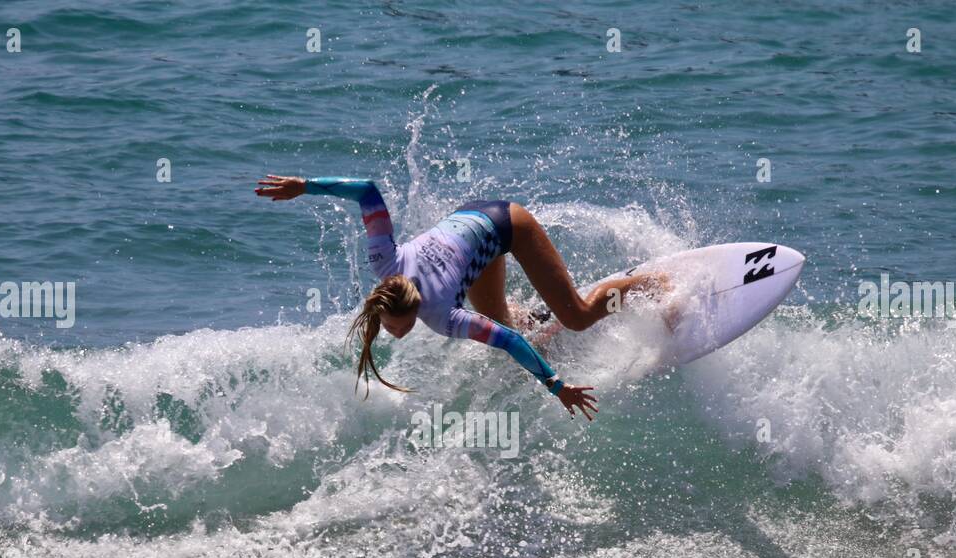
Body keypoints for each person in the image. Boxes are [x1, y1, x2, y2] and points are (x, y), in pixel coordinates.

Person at [255, 175, 666, 420]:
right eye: (389, 326)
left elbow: (508, 344)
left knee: (576, 315)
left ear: (416, 309)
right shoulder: (384, 261)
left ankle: (648, 283)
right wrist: (304, 187)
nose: (395, 334)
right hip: (471, 224)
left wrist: (555, 385)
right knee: (508, 320)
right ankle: (544, 316)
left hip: (508, 225)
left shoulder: (442, 316)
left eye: (399, 327)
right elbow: (366, 192)